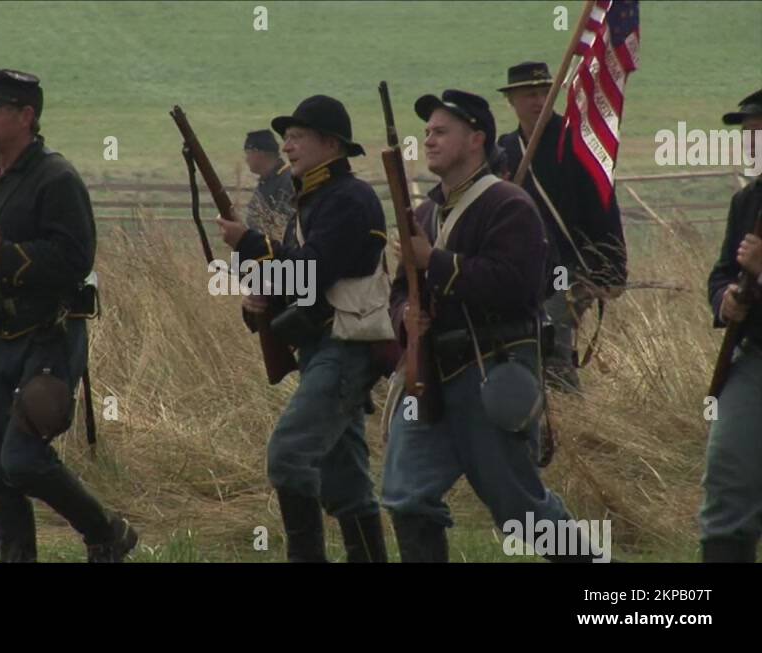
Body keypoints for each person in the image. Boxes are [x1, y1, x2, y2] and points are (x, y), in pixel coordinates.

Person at [382, 89, 597, 562]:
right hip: (431, 377)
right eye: (427, 132)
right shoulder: (423, 213)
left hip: (490, 370)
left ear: (476, 138)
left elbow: (517, 285)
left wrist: (434, 261)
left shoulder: (508, 205)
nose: (430, 140)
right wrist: (406, 316)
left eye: (441, 132)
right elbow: (400, 291)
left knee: (519, 509)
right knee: (407, 497)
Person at [0, 69, 137, 562]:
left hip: (49, 337)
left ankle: (105, 532)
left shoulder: (57, 178)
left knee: (23, 460)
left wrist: (2, 253)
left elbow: (75, 260)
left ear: (26, 116)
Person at [216, 95, 391, 562]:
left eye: (296, 137)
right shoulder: (313, 201)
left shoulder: (349, 199)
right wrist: (259, 303)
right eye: (286, 139)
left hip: (344, 349)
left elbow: (311, 274)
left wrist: (250, 242)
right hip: (323, 349)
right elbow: (297, 280)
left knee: (289, 457)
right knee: (347, 482)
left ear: (330, 144)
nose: (287, 147)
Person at [497, 62, 627, 392]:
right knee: (526, 346)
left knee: (552, 336)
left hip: (572, 263)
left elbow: (604, 205)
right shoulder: (505, 150)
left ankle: (573, 422)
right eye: (529, 95)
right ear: (512, 101)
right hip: (525, 268)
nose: (539, 101)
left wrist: (611, 269)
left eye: (544, 92)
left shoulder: (576, 142)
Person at [700, 89, 762, 563]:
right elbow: (723, 272)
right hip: (755, 357)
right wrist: (726, 301)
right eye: (748, 132)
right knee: (727, 481)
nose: (751, 139)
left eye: (758, 129)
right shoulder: (748, 202)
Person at [242, 129, 294, 239]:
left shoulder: (288, 181)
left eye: (248, 153)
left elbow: (283, 225)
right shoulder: (265, 181)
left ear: (259, 153)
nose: (246, 159)